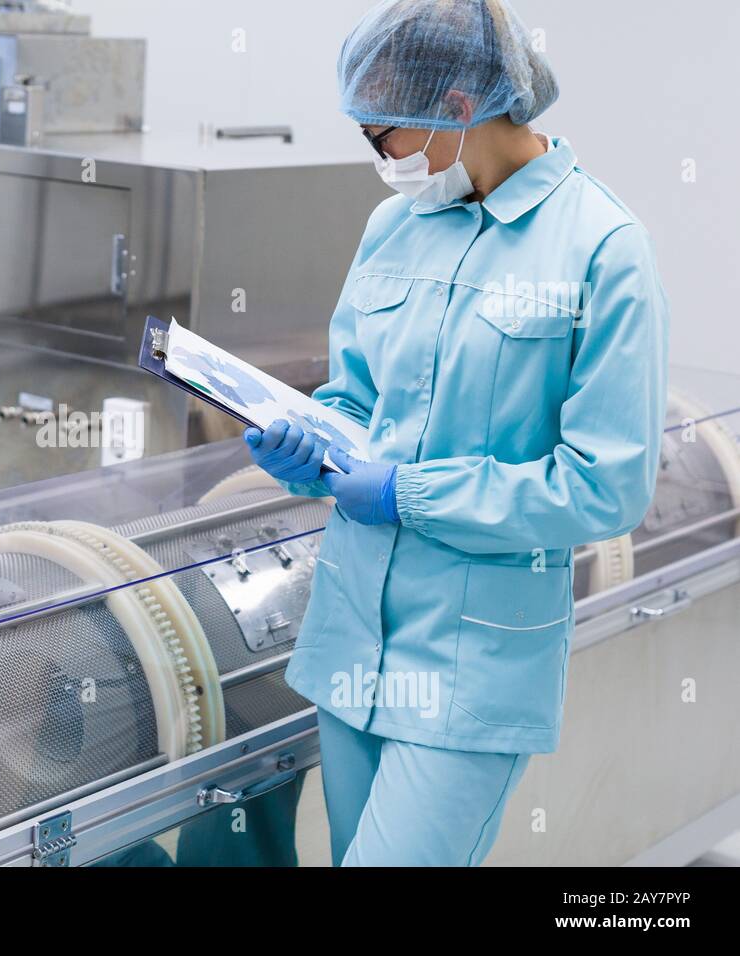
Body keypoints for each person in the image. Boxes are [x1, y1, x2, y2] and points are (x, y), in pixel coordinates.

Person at [245, 0, 669, 866]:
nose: (379, 160)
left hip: (472, 667)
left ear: (460, 104)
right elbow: (358, 405)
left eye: (384, 134)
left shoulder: (602, 249)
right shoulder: (392, 228)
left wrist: (409, 493)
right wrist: (306, 447)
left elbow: (606, 484)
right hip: (351, 645)